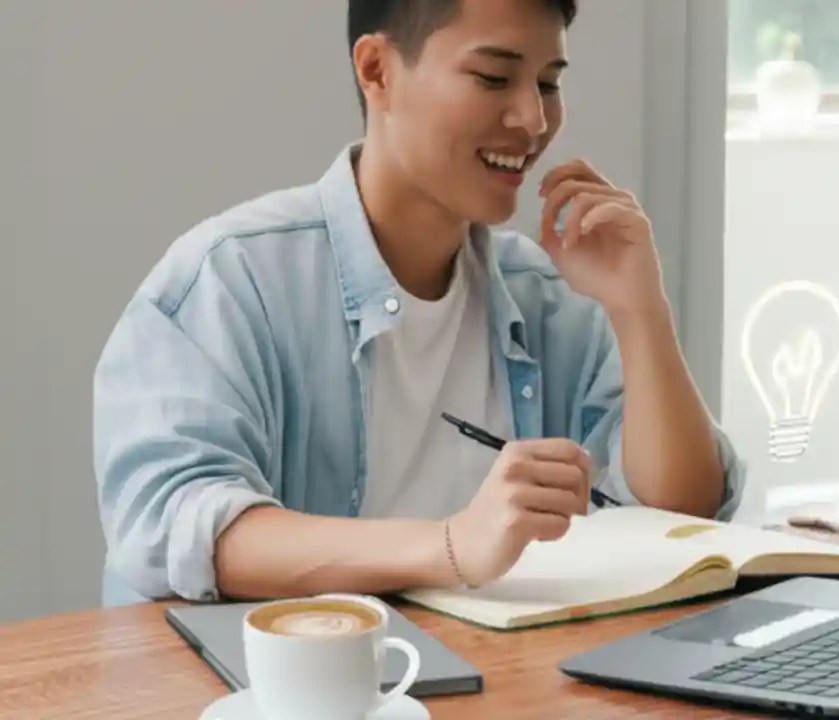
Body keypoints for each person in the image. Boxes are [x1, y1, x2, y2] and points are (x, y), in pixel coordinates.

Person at [93, 0, 743, 604]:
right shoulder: (229, 280)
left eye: (548, 83)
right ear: (377, 71)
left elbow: (681, 511)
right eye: (494, 78)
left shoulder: (547, 296)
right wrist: (452, 547)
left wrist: (641, 311)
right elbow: (175, 523)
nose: (533, 119)